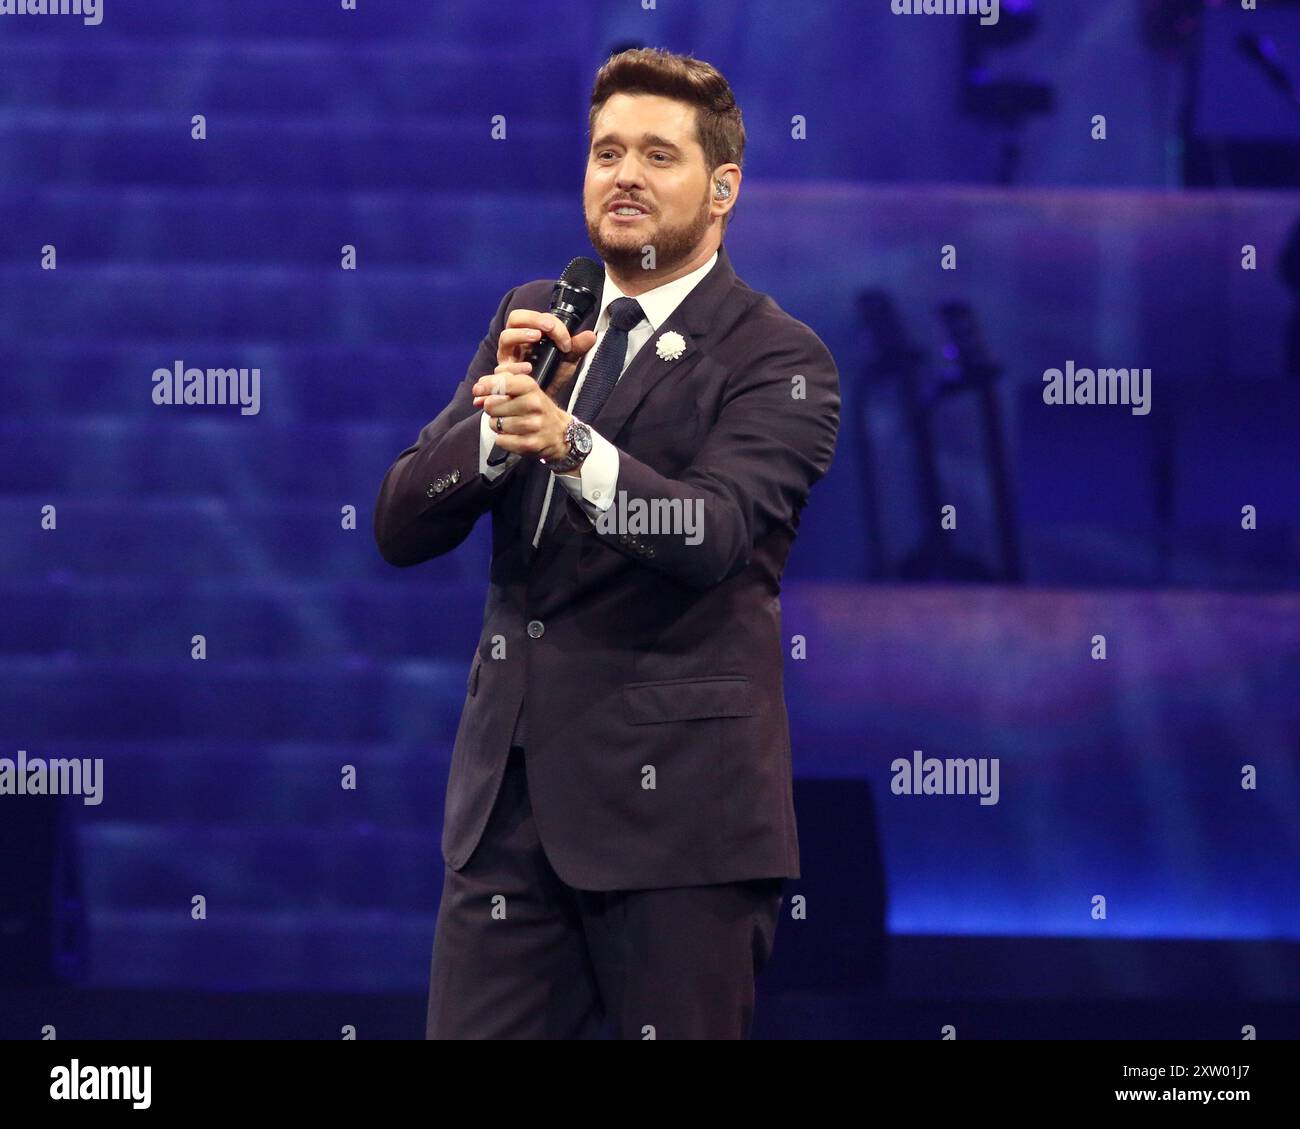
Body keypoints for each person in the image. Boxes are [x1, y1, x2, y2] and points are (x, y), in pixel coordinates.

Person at [373, 46, 840, 1039]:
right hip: (506, 818)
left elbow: (707, 533)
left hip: (678, 832)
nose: (621, 175)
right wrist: (496, 433)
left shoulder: (779, 357)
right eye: (605, 152)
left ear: (722, 190)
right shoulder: (537, 318)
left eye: (656, 156)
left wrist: (572, 441)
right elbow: (401, 523)